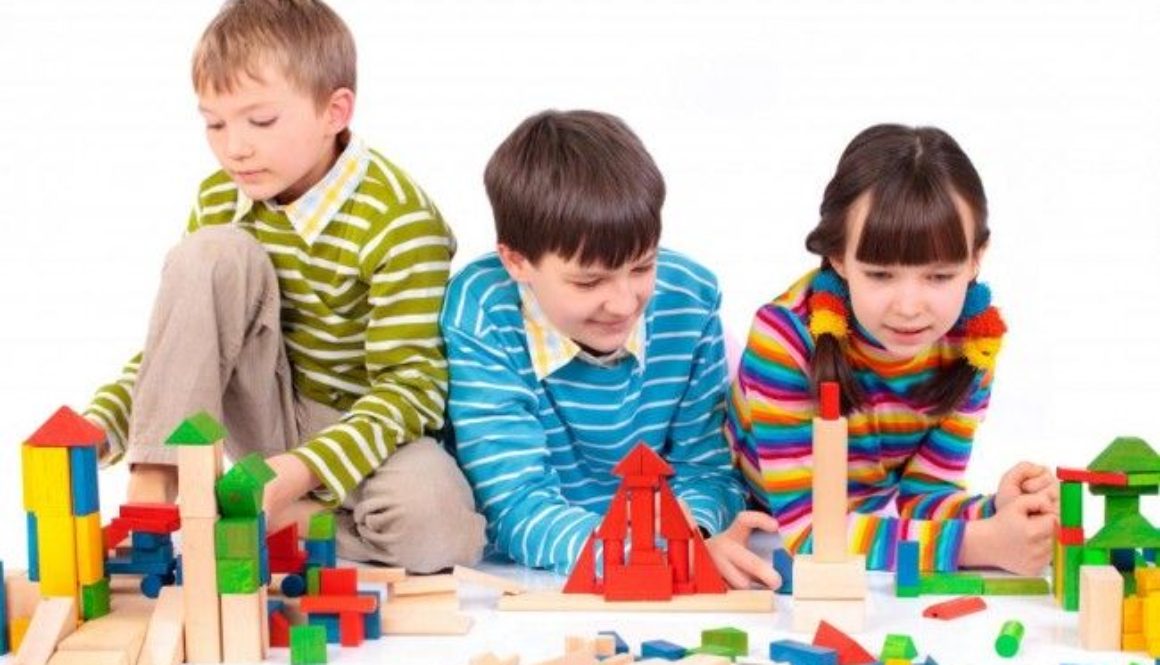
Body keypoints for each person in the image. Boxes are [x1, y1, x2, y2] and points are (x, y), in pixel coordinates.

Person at [83, 0, 485, 573]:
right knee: (211, 253)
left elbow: (412, 388)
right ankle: (160, 479)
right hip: (259, 412)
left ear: (335, 111)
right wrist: (105, 421)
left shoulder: (399, 219)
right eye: (214, 124)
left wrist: (302, 469)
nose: (234, 148)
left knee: (436, 527)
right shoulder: (220, 198)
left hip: (354, 427)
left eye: (260, 121)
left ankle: (277, 517)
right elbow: (183, 343)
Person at [441, 109, 781, 589]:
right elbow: (514, 501)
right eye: (589, 280)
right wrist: (655, 556)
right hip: (554, 564)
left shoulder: (690, 297)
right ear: (517, 261)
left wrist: (697, 535)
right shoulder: (482, 311)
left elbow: (707, 470)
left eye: (642, 267)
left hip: (647, 550)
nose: (624, 303)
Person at [726, 124, 1058, 575]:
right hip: (757, 516)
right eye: (880, 275)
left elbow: (922, 497)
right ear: (839, 257)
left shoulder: (974, 345)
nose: (908, 307)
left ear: (976, 258)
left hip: (862, 511)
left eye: (939, 276)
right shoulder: (785, 338)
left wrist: (999, 510)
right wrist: (978, 545)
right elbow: (808, 535)